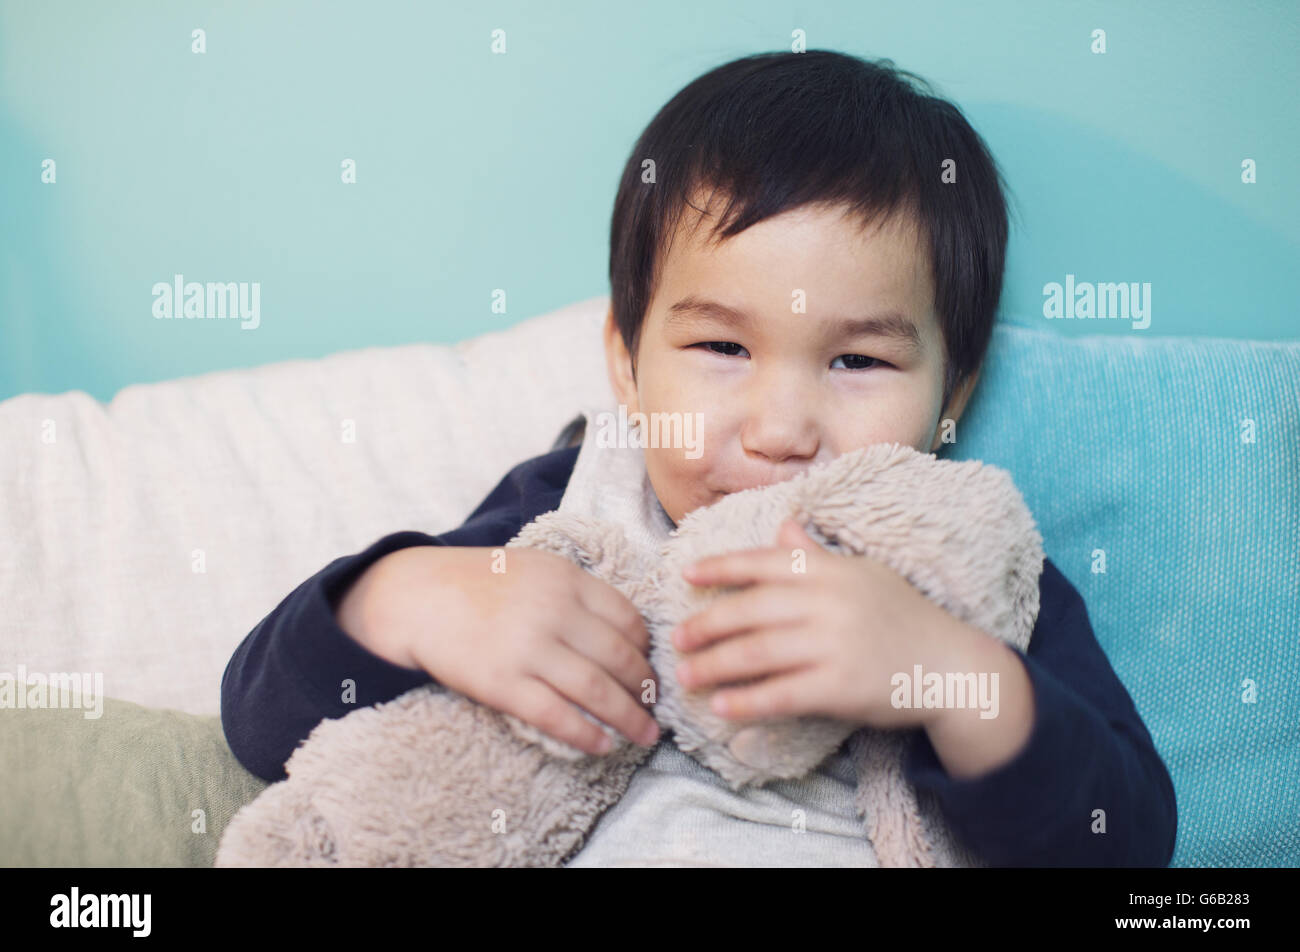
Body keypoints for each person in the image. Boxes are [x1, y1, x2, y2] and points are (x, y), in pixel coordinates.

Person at [221, 50, 1177, 866]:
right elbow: (260, 723)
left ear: (950, 397)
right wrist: (404, 599)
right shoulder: (569, 512)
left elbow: (1127, 838)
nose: (780, 426)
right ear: (627, 367)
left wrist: (940, 669)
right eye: (723, 348)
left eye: (858, 360)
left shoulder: (964, 567)